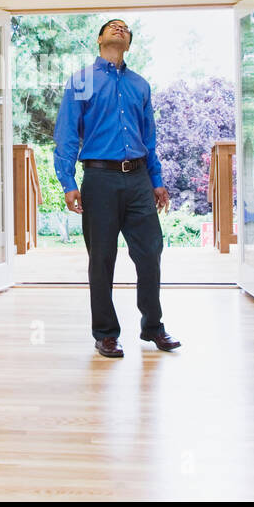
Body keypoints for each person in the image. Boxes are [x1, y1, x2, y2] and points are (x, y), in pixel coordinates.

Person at [53, 18, 182, 358]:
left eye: (125, 28)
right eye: (113, 26)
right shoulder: (81, 81)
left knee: (151, 251)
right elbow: (66, 135)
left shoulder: (140, 85)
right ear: (99, 39)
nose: (120, 29)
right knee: (101, 259)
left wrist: (157, 181)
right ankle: (106, 333)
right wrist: (67, 182)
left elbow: (149, 138)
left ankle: (153, 327)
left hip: (139, 179)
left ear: (129, 43)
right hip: (99, 180)